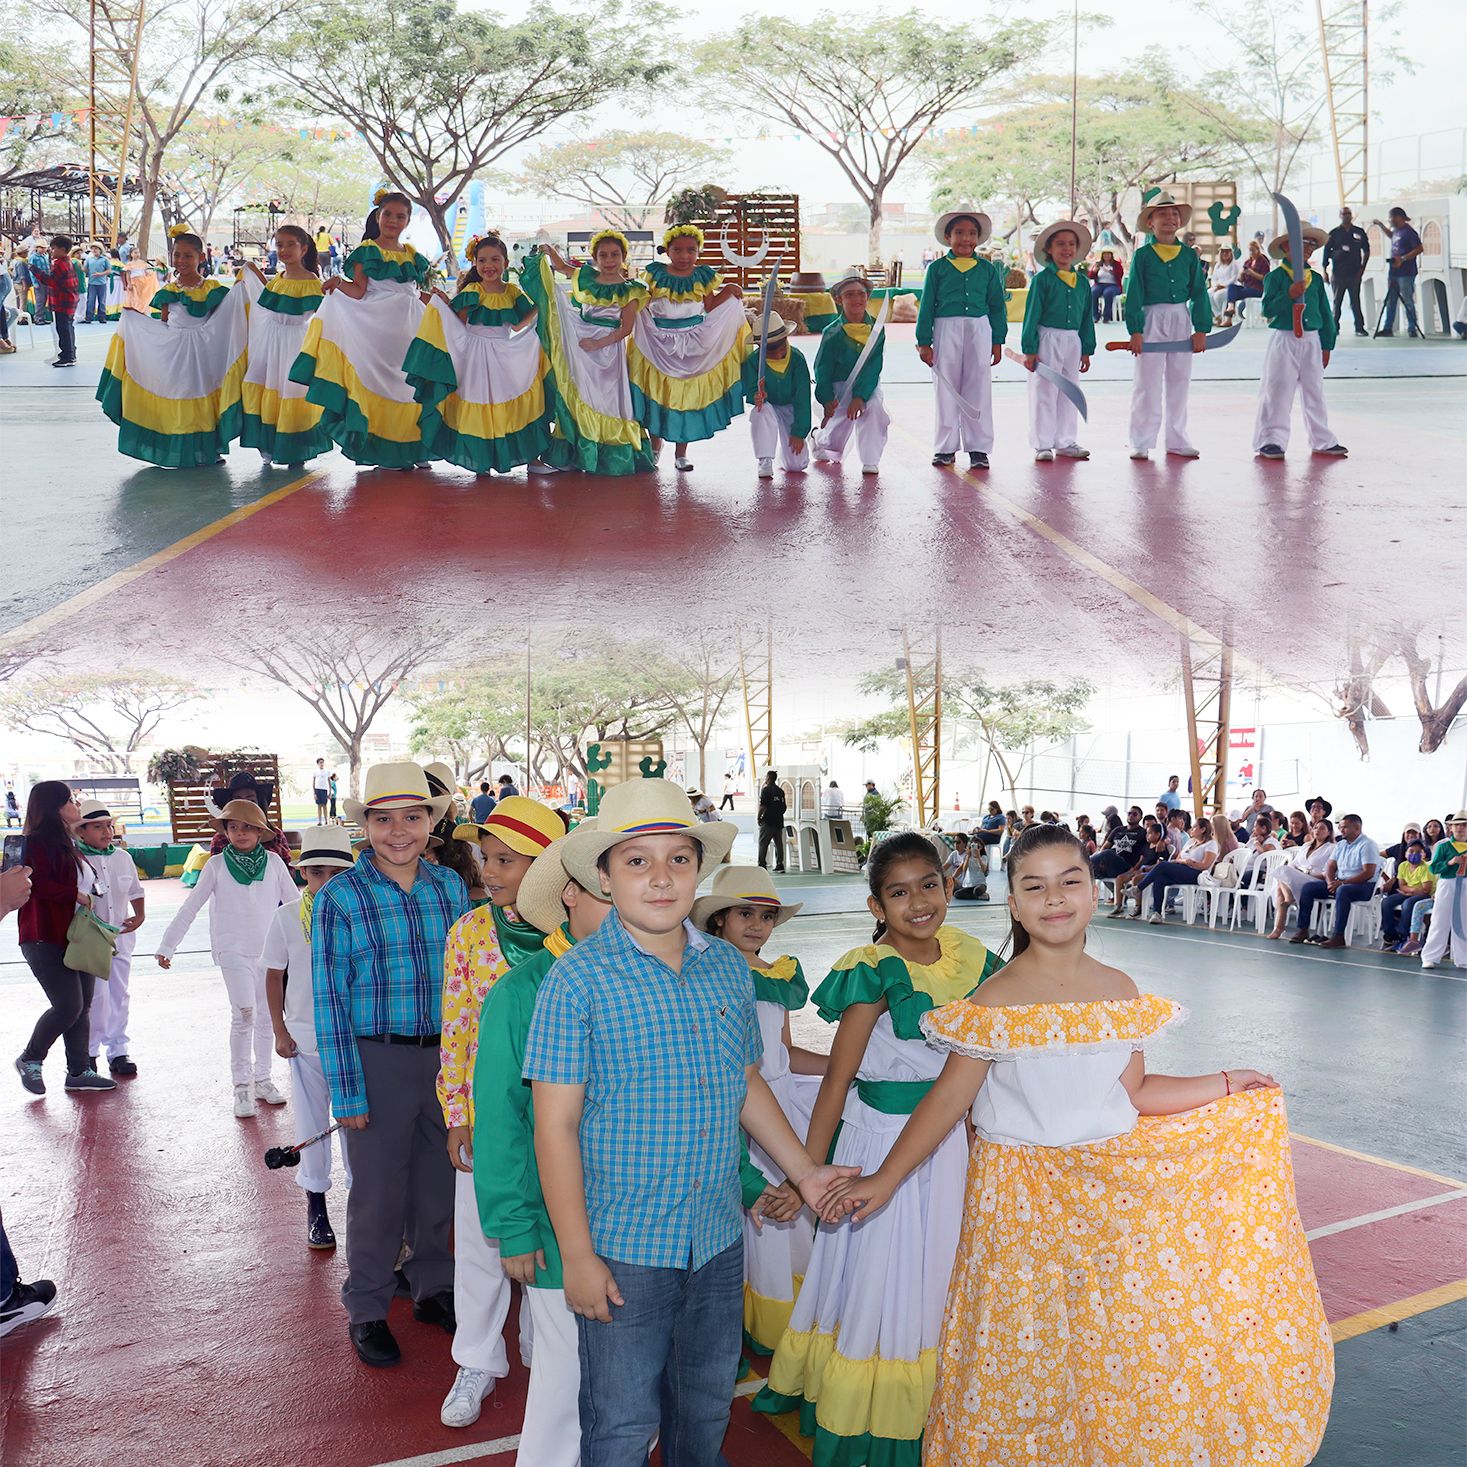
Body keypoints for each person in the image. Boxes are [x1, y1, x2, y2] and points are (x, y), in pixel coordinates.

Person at [819, 823, 1332, 1465]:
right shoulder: (994, 1000)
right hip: (1019, 1204)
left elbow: (1135, 1093)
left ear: (1094, 893)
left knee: (1108, 1343)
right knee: (1023, 1348)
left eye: (1070, 881)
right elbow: (948, 1100)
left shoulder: (1119, 991)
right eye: (1034, 886)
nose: (1054, 898)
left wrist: (1226, 1083)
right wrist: (884, 1179)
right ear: (1013, 902)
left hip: (1107, 1196)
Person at [523, 779, 852, 1467]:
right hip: (624, 1245)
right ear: (604, 878)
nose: (661, 876)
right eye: (636, 860)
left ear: (697, 871)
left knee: (703, 1403)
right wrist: (577, 1254)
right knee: (619, 1422)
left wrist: (805, 1170)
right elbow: (553, 1128)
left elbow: (743, 1081)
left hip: (713, 1236)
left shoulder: (726, 971)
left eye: (677, 857)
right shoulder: (575, 982)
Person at [754, 832, 1003, 1462]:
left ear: (949, 886)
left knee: (938, 1267)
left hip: (948, 1141)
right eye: (898, 892)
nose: (917, 901)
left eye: (928, 885)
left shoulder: (971, 957)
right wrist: (803, 1172)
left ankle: (934, 1400)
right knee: (879, 1271)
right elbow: (838, 1080)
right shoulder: (869, 970)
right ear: (875, 906)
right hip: (879, 1141)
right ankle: (866, 1407)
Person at [312, 763, 468, 1367]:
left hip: (444, 1059)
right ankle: (369, 1306)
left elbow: (463, 986)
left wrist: (465, 1070)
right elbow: (329, 999)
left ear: (432, 822)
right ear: (365, 826)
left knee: (440, 1181)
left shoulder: (449, 888)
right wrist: (347, 1093)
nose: (398, 831)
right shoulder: (340, 897)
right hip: (376, 1059)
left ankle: (432, 1287)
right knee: (378, 1193)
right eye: (382, 819)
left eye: (412, 817)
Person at [473, 825, 613, 1467]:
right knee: (566, 1377)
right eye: (606, 893)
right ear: (569, 897)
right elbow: (501, 1119)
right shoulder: (522, 992)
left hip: (635, 1218)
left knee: (623, 1376)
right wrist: (514, 1225)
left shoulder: (655, 979)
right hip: (558, 1229)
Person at [437, 795, 564, 1424]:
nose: (489, 871)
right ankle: (477, 1360)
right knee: (482, 1243)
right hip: (491, 1123)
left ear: (546, 869)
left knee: (552, 1232)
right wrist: (457, 1112)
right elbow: (456, 1031)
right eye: (485, 857)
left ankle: (545, 1343)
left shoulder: (570, 937)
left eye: (506, 860)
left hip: (562, 1122)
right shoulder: (469, 932)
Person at [692, 867, 826, 1356]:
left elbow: (784, 1052)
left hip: (779, 1104)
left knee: (784, 1217)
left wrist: (847, 1068)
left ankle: (783, 1325)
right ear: (720, 918)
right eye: (745, 913)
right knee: (747, 1215)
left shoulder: (779, 975)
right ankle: (745, 1323)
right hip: (735, 1107)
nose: (757, 925)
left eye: (767, 916)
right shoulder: (707, 973)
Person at [155, 798, 296, 1114]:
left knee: (265, 1016)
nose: (241, 833)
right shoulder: (216, 866)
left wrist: (310, 944)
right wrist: (168, 945)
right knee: (244, 1013)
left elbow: (294, 905)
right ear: (226, 832)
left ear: (260, 832)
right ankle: (241, 1086)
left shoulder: (274, 863)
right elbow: (191, 906)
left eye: (248, 827)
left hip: (269, 952)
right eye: (234, 827)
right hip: (231, 949)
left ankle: (263, 1079)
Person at [262, 825, 356, 1250]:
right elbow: (273, 975)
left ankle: (363, 1207)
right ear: (303, 875)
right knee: (312, 1124)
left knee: (358, 1125)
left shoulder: (360, 915)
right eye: (316, 872)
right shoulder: (285, 918)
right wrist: (280, 1030)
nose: (325, 882)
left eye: (336, 873)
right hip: (305, 1039)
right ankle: (316, 1208)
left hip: (356, 1039)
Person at [291, 190, 433, 468]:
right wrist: (338, 284)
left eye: (400, 216)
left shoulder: (413, 255)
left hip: (410, 324)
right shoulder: (367, 251)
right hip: (376, 327)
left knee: (409, 385)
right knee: (379, 385)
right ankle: (385, 449)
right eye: (387, 214)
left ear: (408, 221)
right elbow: (358, 291)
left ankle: (414, 448)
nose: (393, 220)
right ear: (378, 216)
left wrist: (441, 304)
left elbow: (416, 291)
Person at [97, 226, 248, 467]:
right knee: (181, 395)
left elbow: (223, 322)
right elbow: (164, 324)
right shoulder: (168, 292)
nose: (181, 260)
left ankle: (208, 449)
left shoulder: (213, 290)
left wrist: (245, 282)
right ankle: (176, 448)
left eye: (188, 255)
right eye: (177, 255)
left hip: (205, 356)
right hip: (176, 355)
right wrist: (136, 321)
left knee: (203, 399)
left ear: (201, 258)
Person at [406, 232, 551, 475]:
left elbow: (518, 325)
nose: (489, 266)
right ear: (475, 264)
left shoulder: (512, 292)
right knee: (481, 402)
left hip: (505, 354)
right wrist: (441, 303)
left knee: (516, 398)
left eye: (495, 260)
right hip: (475, 355)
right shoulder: (473, 290)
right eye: (482, 260)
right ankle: (481, 459)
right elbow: (458, 324)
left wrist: (543, 303)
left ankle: (531, 458)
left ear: (505, 262)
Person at [14, 782, 116, 1095]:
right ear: (54, 807)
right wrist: (75, 894)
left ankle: (79, 1070)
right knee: (68, 1005)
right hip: (44, 936)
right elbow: (34, 885)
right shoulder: (34, 843)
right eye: (70, 800)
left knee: (82, 1005)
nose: (76, 805)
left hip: (76, 936)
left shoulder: (66, 844)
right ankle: (31, 1058)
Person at [526, 231, 655, 474]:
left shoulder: (630, 289)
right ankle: (576, 451)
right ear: (594, 258)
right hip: (583, 341)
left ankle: (608, 454)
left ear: (623, 257)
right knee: (580, 392)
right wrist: (550, 252)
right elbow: (563, 267)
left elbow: (626, 328)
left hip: (608, 352)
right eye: (603, 255)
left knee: (608, 400)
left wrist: (601, 343)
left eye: (614, 255)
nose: (609, 260)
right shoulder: (586, 277)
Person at [629, 223, 747, 472]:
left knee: (684, 396)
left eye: (691, 250)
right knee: (658, 392)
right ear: (668, 250)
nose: (685, 256)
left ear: (698, 251)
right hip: (658, 341)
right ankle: (655, 446)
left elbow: (711, 304)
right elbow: (643, 301)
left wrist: (728, 291)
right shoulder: (655, 273)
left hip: (692, 344)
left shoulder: (702, 276)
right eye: (678, 250)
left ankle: (681, 453)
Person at [1123, 193, 1212, 460]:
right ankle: (1141, 439)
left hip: (1180, 318)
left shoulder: (1188, 256)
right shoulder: (1143, 256)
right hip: (1152, 318)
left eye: (1174, 214)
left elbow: (1199, 292)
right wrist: (1136, 330)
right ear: (1150, 222)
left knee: (1179, 380)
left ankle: (1177, 439)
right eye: (1162, 214)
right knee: (1147, 381)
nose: (1169, 219)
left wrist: (1200, 328)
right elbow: (1135, 293)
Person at [916, 207, 1006, 469]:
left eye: (971, 234)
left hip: (979, 329)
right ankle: (945, 447)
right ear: (947, 236)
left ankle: (979, 448)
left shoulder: (987, 270)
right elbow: (927, 306)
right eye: (959, 233)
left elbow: (997, 306)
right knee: (946, 387)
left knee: (978, 386)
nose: (965, 239)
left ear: (978, 238)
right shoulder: (937, 269)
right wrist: (924, 341)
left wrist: (997, 339)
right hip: (946, 329)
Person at [1254, 223, 1348, 461]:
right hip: (1285, 338)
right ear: (1287, 246)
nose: (1308, 249)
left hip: (1311, 340)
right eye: (1303, 243)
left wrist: (1327, 344)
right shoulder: (1275, 277)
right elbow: (1267, 309)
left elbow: (1326, 315)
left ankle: (1322, 439)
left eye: (1311, 245)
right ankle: (1271, 440)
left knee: (1314, 390)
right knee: (1278, 389)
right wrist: (1289, 295)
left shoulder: (1315, 279)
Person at [239, 226, 331, 468]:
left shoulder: (311, 280)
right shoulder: (278, 279)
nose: (284, 249)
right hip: (272, 342)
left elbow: (323, 312)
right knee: (265, 386)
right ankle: (269, 444)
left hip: (295, 344)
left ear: (304, 249)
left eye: (291, 244)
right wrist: (251, 270)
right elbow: (265, 296)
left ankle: (294, 447)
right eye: (279, 244)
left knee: (290, 391)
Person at [74, 800, 145, 1078]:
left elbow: (136, 891)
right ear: (82, 832)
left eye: (108, 826)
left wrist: (139, 916)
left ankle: (118, 1050)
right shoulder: (76, 860)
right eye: (98, 827)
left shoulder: (122, 858)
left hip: (121, 936)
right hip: (91, 938)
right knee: (97, 997)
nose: (106, 832)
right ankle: (90, 1053)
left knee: (120, 993)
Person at [1021, 219, 1095, 463]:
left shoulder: (1082, 282)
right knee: (1044, 390)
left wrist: (1086, 348)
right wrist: (1030, 348)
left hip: (1072, 340)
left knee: (1069, 390)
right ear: (1049, 250)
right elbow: (1031, 315)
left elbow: (1086, 318)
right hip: (1047, 338)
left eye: (1071, 244)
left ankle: (1065, 440)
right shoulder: (1042, 281)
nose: (1067, 249)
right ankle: (1042, 443)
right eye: (1060, 244)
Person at [813, 274, 890, 475]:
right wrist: (827, 398)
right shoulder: (831, 332)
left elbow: (874, 366)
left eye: (861, 294)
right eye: (849, 295)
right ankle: (817, 438)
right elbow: (822, 368)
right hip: (839, 387)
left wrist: (860, 396)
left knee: (874, 408)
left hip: (867, 385)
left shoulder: (877, 329)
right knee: (834, 442)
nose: (857, 299)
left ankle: (870, 460)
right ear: (839, 300)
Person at [1290, 812, 1379, 948]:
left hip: (1363, 886)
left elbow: (1368, 872)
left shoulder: (1367, 845)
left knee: (1343, 891)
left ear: (1357, 828)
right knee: (1308, 888)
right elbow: (1330, 866)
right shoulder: (1341, 844)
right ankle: (1302, 930)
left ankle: (1338, 936)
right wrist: (1331, 882)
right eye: (1340, 827)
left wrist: (1342, 883)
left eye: (1345, 827)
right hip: (1340, 883)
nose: (1341, 830)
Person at [742, 312, 811, 479]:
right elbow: (750, 390)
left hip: (790, 407)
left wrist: (799, 432)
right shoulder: (752, 361)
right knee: (761, 411)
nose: (776, 353)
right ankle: (764, 459)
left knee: (797, 466)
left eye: (779, 346)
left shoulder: (797, 359)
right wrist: (756, 397)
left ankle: (808, 439)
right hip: (769, 407)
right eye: (769, 349)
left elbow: (803, 398)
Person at [1135, 814, 1218, 921]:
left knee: (1163, 864)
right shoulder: (1190, 842)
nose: (1191, 829)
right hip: (1182, 869)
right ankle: (1157, 913)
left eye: (1195, 827)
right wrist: (1185, 861)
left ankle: (1138, 888)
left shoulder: (1211, 844)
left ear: (1203, 829)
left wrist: (1190, 863)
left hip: (1197, 874)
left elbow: (1205, 865)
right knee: (1159, 878)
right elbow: (1178, 858)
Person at [1265, 817, 1336, 939]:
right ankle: (1280, 922)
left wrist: (1307, 873)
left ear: (1329, 832)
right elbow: (1293, 863)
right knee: (1282, 872)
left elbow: (1328, 872)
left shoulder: (1331, 848)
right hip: (1298, 877)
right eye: (1315, 827)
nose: (1317, 830)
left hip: (1315, 879)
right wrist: (1297, 871)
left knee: (1282, 872)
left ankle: (1280, 923)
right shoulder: (1306, 845)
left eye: (1322, 828)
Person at [1421, 811, 1467, 970]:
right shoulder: (1443, 845)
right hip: (1447, 884)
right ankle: (1430, 956)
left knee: (1463, 921)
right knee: (1440, 920)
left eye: (1464, 825)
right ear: (1451, 828)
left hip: (1466, 885)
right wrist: (1450, 862)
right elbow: (1433, 868)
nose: (1460, 828)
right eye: (1457, 825)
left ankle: (1462, 958)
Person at [29, 235, 80, 367]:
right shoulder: (67, 262)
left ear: (62, 249)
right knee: (67, 327)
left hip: (63, 301)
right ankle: (70, 353)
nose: (51, 251)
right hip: (69, 300)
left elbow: (50, 280)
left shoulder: (59, 264)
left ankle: (67, 355)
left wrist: (34, 269)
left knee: (63, 329)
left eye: (53, 248)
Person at [1379, 838, 1435, 952]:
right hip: (1409, 892)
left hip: (1422, 895)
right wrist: (1410, 890)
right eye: (1411, 851)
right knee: (1387, 902)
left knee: (1408, 903)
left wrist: (1409, 891)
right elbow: (1401, 885)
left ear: (1424, 854)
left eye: (1419, 852)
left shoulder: (1426, 868)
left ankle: (1402, 934)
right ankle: (1390, 935)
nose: (1415, 854)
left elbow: (1426, 890)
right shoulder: (1403, 866)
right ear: (1405, 853)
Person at [1322, 206, 1371, 336]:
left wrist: (1362, 268)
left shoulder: (1359, 232)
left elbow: (1366, 250)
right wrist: (1324, 270)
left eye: (1348, 213)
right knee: (1337, 301)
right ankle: (1334, 327)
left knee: (1355, 301)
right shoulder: (1334, 233)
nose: (1346, 216)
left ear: (1351, 215)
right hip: (1338, 273)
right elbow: (1326, 252)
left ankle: (1359, 328)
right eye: (1344, 214)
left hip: (1354, 273)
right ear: (1340, 216)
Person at [1380, 206, 1424, 337]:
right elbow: (1391, 235)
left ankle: (1412, 327)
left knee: (1407, 300)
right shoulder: (1397, 231)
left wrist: (1403, 259)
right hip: (1394, 271)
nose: (1390, 220)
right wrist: (1381, 226)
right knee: (1391, 300)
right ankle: (1388, 327)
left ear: (1399, 217)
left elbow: (1419, 248)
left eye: (1392, 218)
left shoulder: (1409, 232)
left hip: (1406, 272)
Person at [1221, 238, 1270, 324]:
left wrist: (1252, 273)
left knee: (1233, 295)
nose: (1251, 252)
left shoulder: (1264, 262)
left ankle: (1228, 318)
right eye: (1249, 250)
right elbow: (1241, 280)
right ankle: (1231, 307)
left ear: (1258, 250)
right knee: (1232, 287)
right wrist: (1241, 275)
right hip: (1247, 287)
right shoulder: (1248, 262)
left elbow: (1265, 278)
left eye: (1253, 250)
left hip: (1258, 289)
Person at [757, 770, 788, 873]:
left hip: (768, 821)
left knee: (763, 843)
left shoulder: (766, 790)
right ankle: (780, 864)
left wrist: (759, 817)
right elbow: (784, 807)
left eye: (766, 777)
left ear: (769, 778)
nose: (765, 779)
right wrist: (778, 814)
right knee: (778, 843)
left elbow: (763, 805)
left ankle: (762, 864)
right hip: (779, 821)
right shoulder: (780, 791)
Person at [1207, 243, 1242, 322]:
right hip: (1218, 287)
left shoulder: (1234, 264)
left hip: (1230, 288)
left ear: (1230, 253)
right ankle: (1218, 315)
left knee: (1218, 296)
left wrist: (1223, 286)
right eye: (1223, 252)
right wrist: (1216, 286)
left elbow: (1234, 278)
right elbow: (1214, 278)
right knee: (1208, 293)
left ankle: (1223, 315)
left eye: (1227, 252)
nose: (1225, 254)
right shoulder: (1218, 265)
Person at [1088, 247, 1123, 322]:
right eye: (1105, 254)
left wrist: (1111, 272)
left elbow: (1120, 275)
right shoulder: (1098, 264)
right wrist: (1094, 271)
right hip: (1100, 284)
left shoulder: (1116, 264)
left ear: (1111, 255)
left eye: (1108, 254)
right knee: (1092, 292)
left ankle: (1106, 316)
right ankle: (1095, 316)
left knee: (1108, 293)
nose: (1106, 256)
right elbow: (1090, 276)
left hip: (1113, 285)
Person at [82, 243, 110, 323]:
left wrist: (100, 274)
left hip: (102, 283)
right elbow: (85, 269)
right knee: (90, 300)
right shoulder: (89, 259)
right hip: (92, 283)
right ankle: (89, 317)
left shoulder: (105, 259)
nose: (94, 250)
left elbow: (109, 271)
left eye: (96, 248)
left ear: (100, 250)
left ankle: (102, 317)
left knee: (102, 301)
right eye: (93, 248)